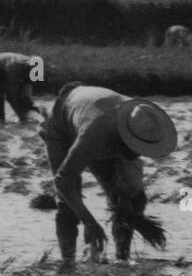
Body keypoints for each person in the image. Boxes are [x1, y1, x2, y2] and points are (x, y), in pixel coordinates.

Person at [39, 83, 178, 264]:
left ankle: (122, 259)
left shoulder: (141, 121)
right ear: (125, 137)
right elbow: (63, 180)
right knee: (68, 204)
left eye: (141, 148)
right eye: (134, 147)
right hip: (62, 122)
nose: (137, 152)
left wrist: (133, 213)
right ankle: (68, 264)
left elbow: (133, 193)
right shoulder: (95, 134)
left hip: (99, 118)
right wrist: (89, 222)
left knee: (131, 198)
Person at [0, 52, 41, 124]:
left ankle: (24, 117)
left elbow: (26, 93)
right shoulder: (14, 68)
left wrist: (34, 107)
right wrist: (23, 118)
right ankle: (0, 122)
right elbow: (11, 97)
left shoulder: (37, 66)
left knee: (24, 98)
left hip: (7, 67)